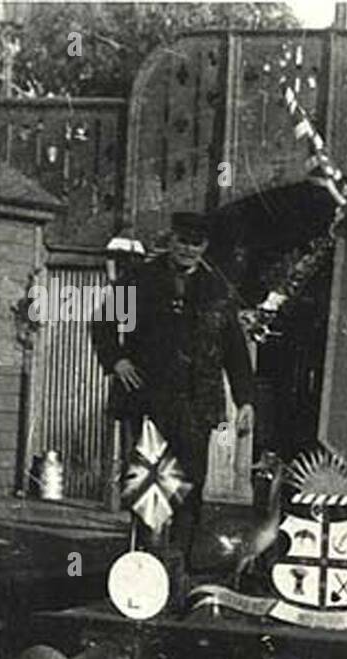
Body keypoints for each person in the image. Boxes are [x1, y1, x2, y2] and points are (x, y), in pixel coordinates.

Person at [92, 211, 255, 573]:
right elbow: (103, 323)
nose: (187, 249)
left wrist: (245, 400)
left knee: (190, 482)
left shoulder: (219, 290)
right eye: (182, 241)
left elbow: (235, 350)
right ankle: (143, 559)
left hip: (198, 403)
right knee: (147, 480)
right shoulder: (138, 282)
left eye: (196, 243)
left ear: (205, 246)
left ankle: (179, 562)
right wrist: (116, 360)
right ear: (171, 240)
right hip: (147, 400)